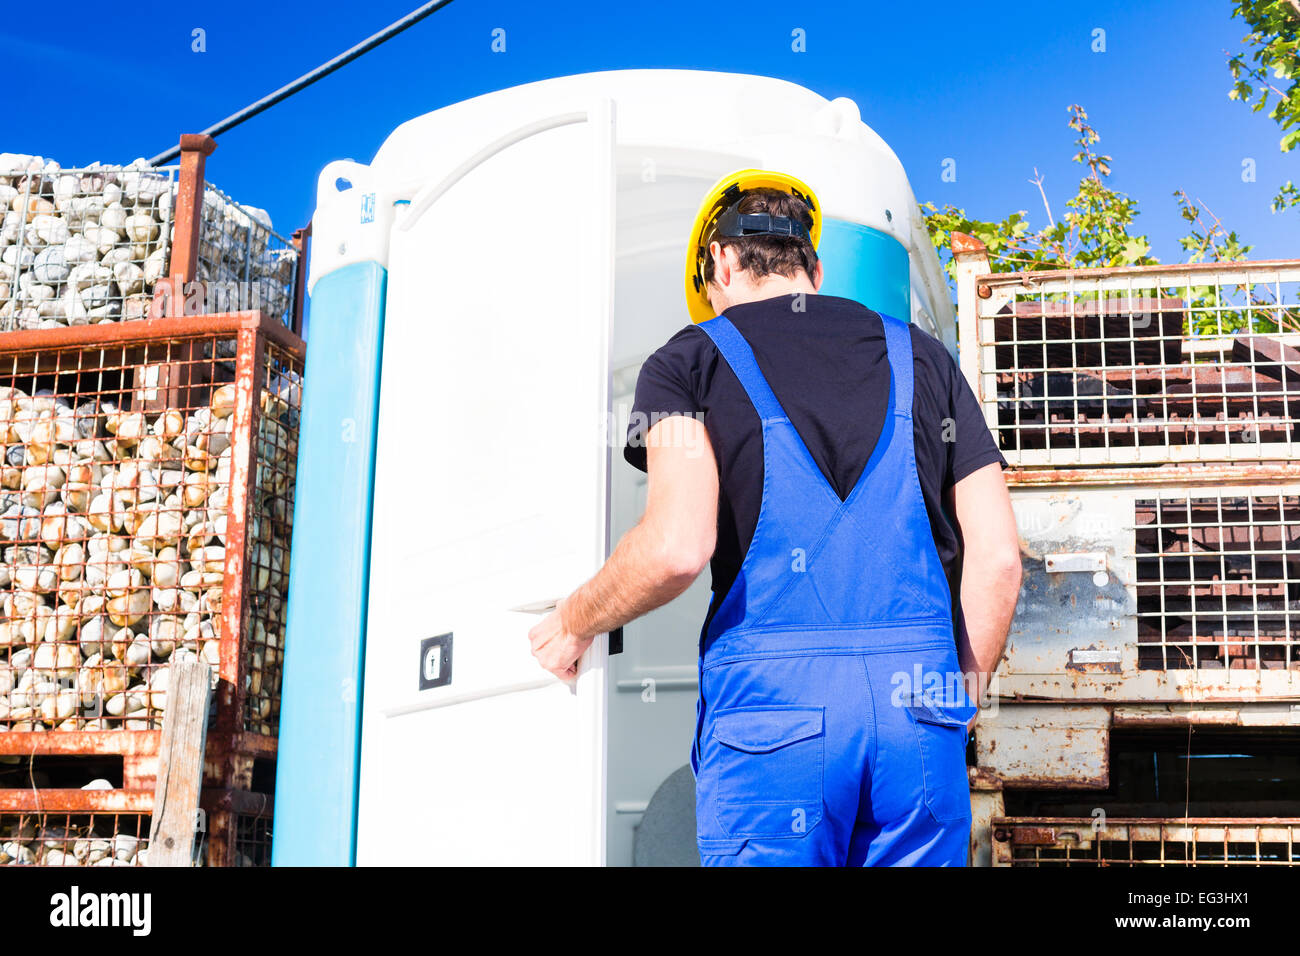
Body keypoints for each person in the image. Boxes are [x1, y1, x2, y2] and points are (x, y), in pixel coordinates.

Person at [528, 169, 1021, 866]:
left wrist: (570, 623)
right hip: (919, 713)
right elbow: (999, 558)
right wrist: (952, 698)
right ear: (812, 268)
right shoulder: (927, 358)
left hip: (771, 718)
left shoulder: (685, 362)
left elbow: (675, 546)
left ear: (719, 264)